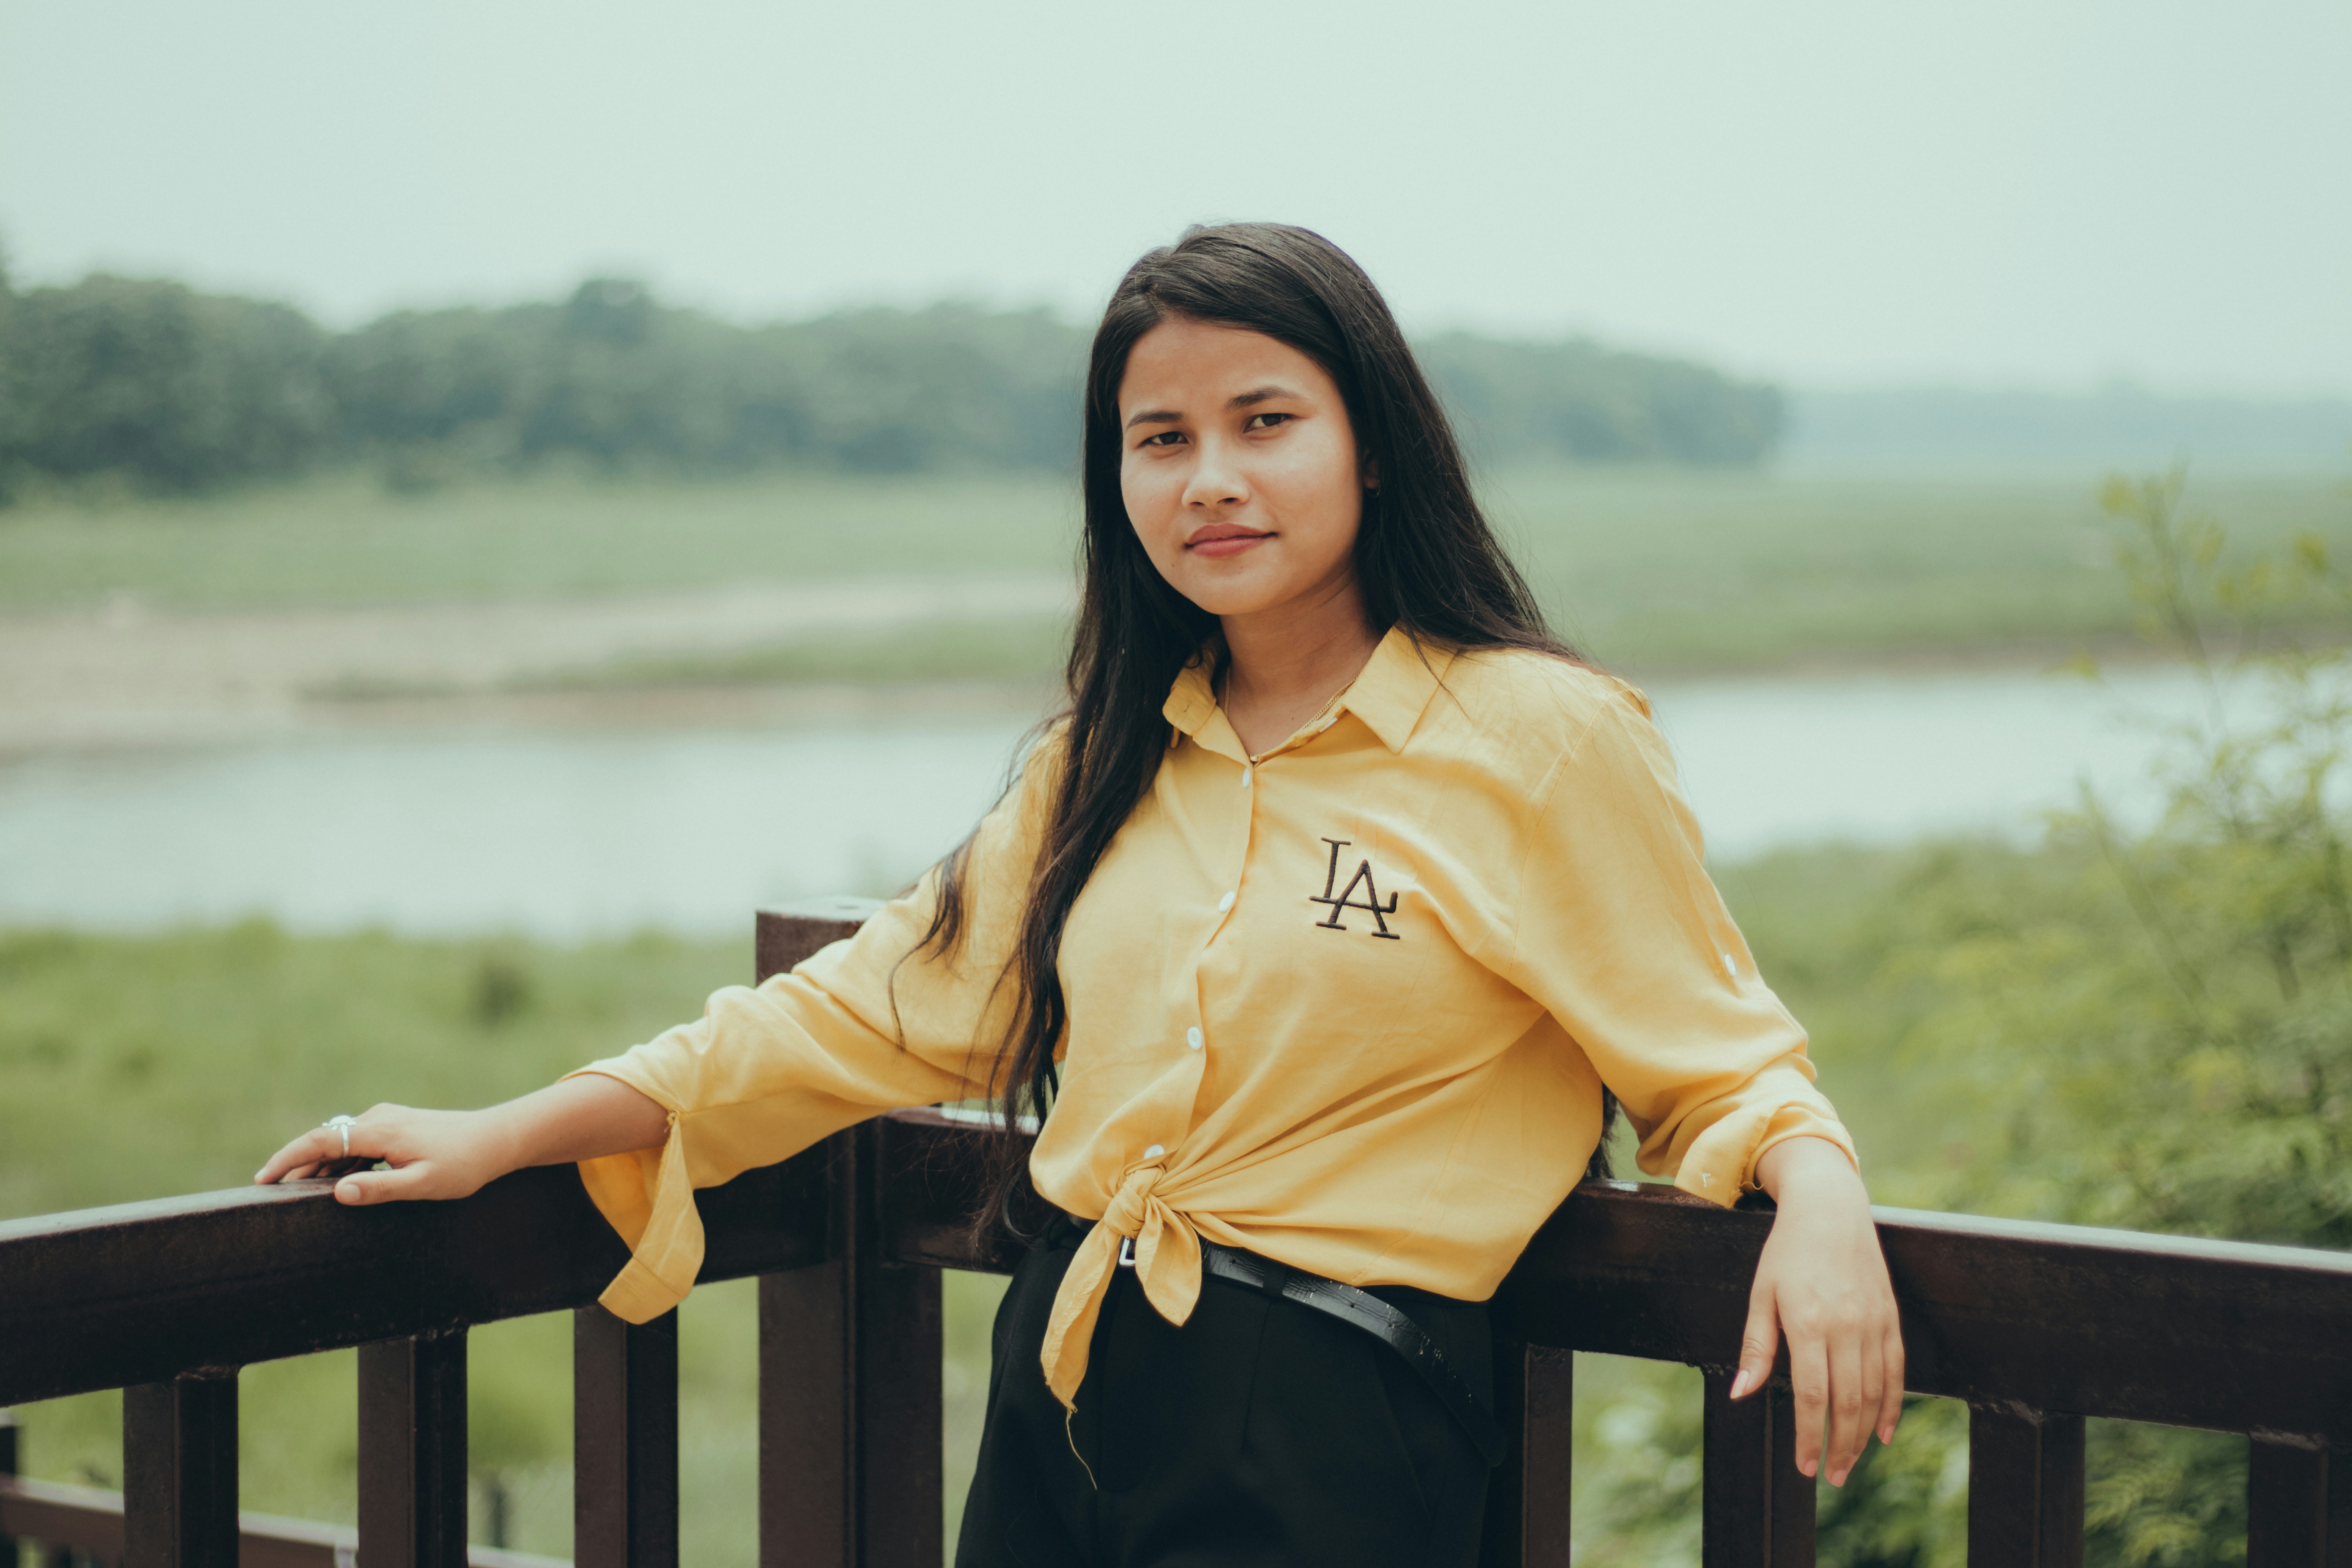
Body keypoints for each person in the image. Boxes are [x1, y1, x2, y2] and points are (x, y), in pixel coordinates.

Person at [260, 222, 1903, 1567]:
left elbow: (1718, 1053)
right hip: (1062, 1382)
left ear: (1374, 444)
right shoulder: (1103, 758)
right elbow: (860, 1008)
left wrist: (1818, 1196)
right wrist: (505, 1130)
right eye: (1161, 439)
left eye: (1267, 421)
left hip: (1336, 1422)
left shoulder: (1541, 741)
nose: (1212, 481)